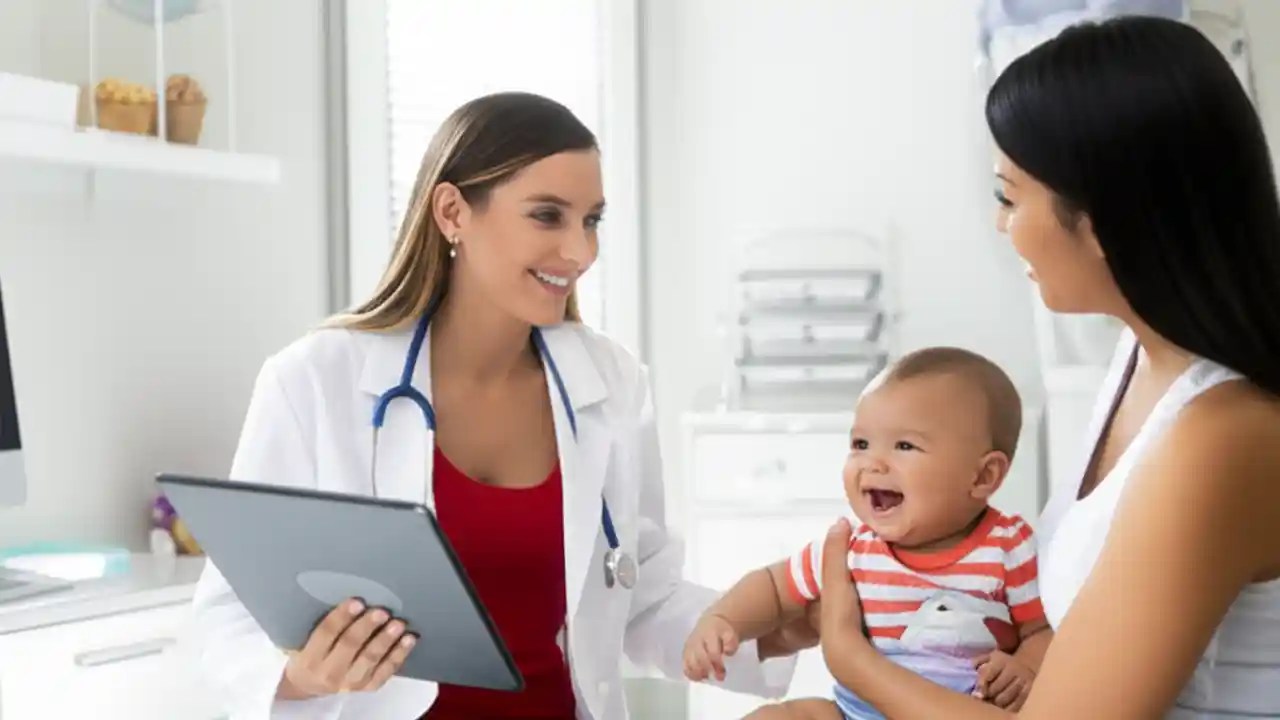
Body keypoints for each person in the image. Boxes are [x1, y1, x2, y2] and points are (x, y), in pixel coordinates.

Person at [190, 91, 803, 720]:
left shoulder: (610, 383)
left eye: (591, 220)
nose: (580, 251)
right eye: (547, 216)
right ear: (453, 210)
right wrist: (299, 676)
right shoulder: (316, 381)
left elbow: (640, 601)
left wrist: (769, 628)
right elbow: (222, 621)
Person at [809, 15, 1280, 719]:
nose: (1002, 225)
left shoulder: (1222, 435)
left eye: (1008, 195)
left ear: (1095, 220)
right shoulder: (1140, 363)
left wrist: (852, 658)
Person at [684, 348, 1052, 719]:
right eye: (860, 444)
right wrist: (724, 620)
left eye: (904, 445)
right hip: (855, 712)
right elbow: (775, 589)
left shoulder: (1007, 547)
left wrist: (1026, 668)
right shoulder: (854, 548)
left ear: (982, 476)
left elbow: (1042, 631)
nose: (872, 463)